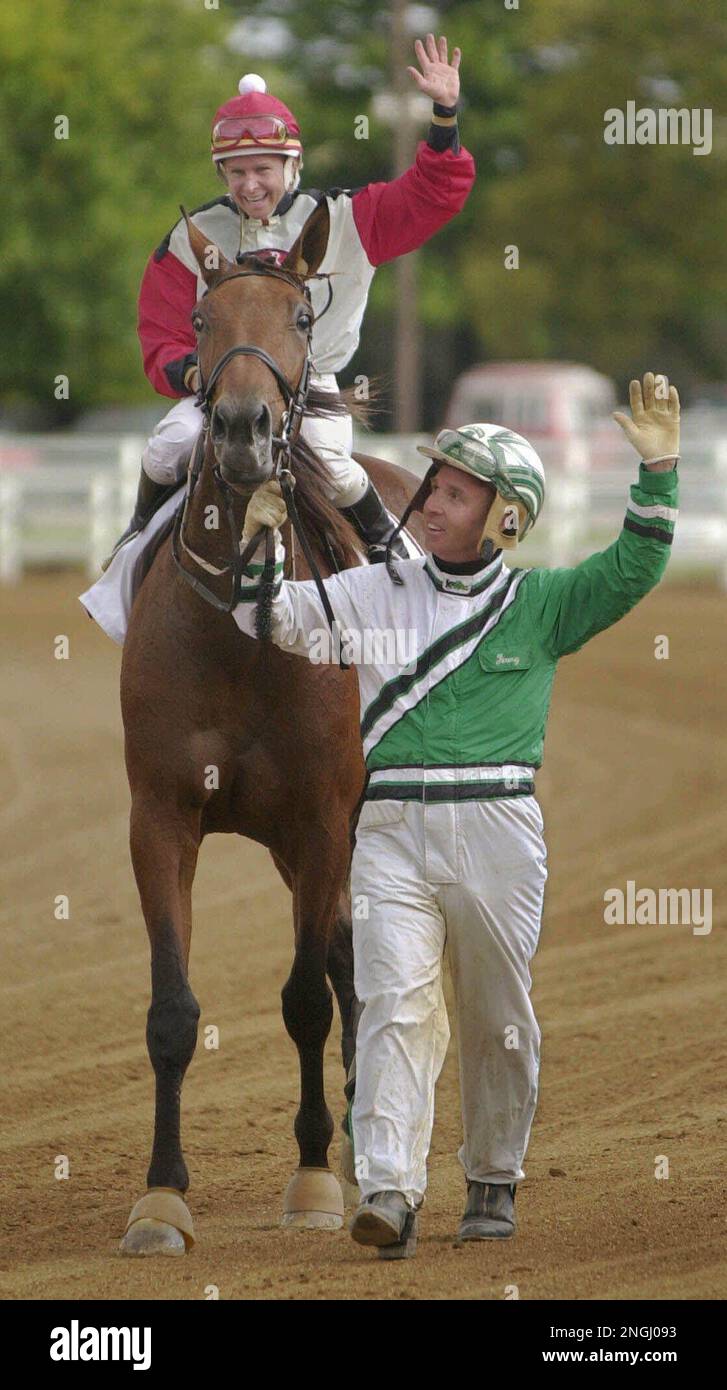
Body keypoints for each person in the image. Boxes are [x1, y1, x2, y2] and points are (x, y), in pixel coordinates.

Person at [229, 372, 680, 1259]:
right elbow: (263, 616)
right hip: (389, 833)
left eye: (456, 493)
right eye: (434, 486)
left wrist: (658, 471)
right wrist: (259, 541)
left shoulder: (543, 606)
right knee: (391, 1007)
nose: (431, 502)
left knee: (495, 1015)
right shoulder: (374, 591)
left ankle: (492, 1177)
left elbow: (634, 567)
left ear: (505, 517)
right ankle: (388, 1191)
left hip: (497, 832)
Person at [104, 33, 475, 569]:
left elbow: (435, 194)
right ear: (222, 174)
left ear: (291, 165)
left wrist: (444, 115)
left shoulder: (349, 218)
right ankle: (133, 548)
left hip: (312, 387)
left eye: (263, 170)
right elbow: (161, 336)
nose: (250, 185)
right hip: (221, 388)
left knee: (332, 465)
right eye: (237, 172)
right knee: (168, 445)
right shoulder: (191, 237)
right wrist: (195, 375)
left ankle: (396, 559)